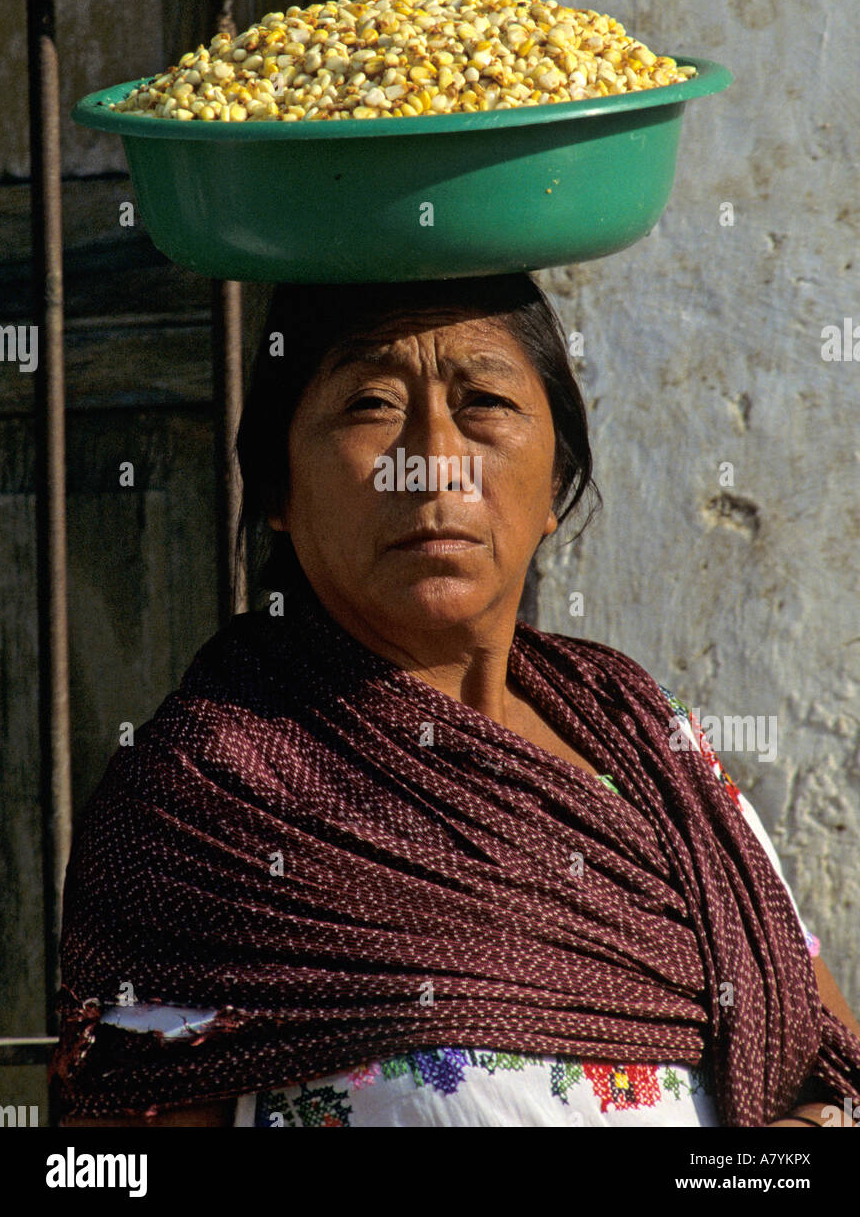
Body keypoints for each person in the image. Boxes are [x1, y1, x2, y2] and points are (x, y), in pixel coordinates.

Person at [54, 273, 860, 1128]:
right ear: (281, 487)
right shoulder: (212, 797)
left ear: (554, 483)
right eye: (369, 403)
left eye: (483, 401)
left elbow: (821, 1061)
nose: (432, 457)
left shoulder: (646, 738)